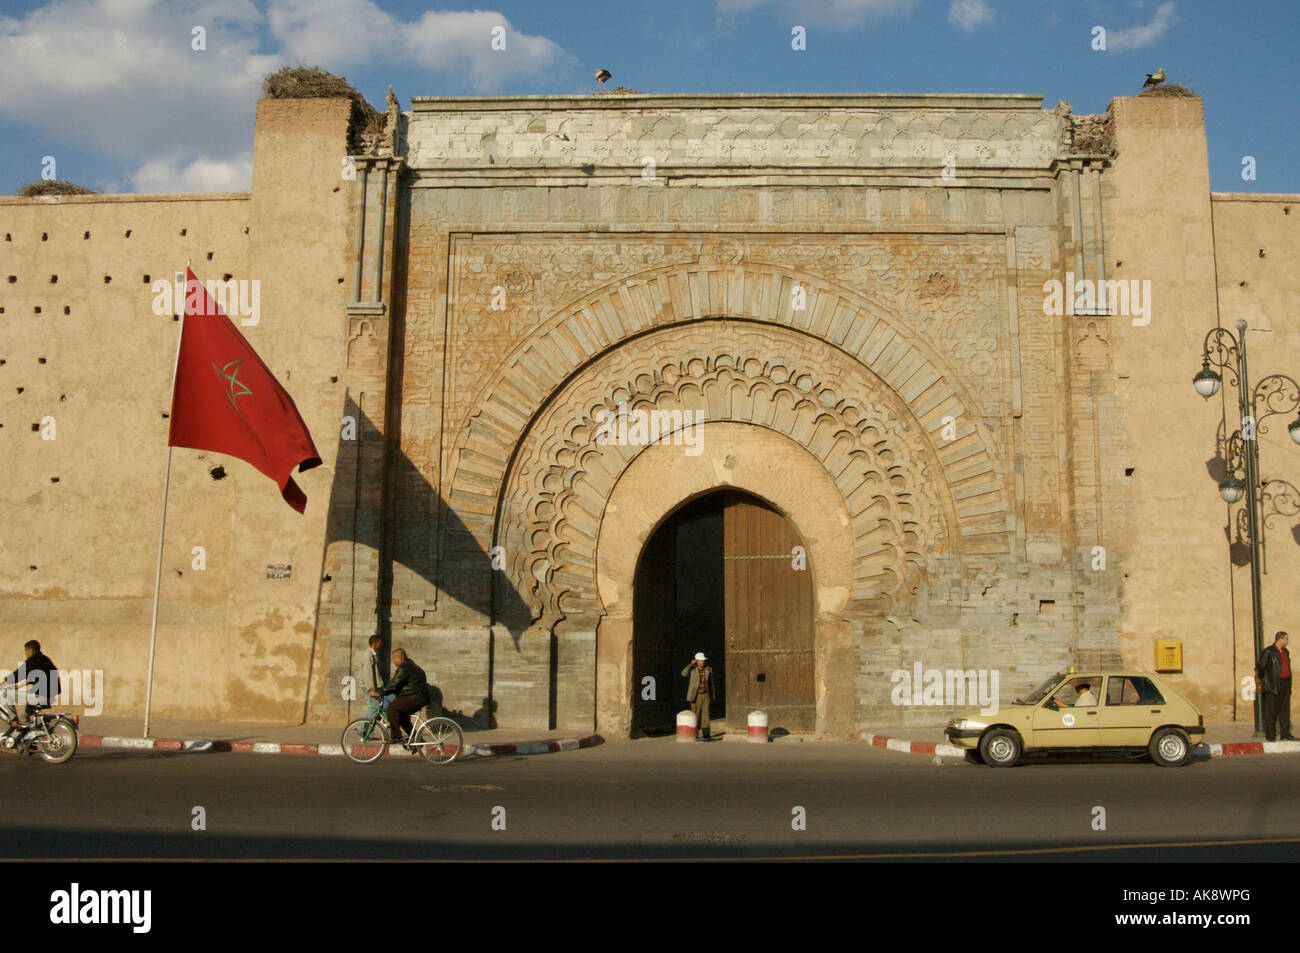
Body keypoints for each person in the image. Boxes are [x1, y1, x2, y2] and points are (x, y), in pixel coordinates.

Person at [1, 640, 60, 747]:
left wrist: (3, 682)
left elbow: (19, 673)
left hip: (40, 696)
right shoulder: (44, 660)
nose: (25, 654)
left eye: (26, 651)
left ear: (31, 650)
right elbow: (33, 676)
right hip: (48, 696)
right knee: (23, 714)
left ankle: (14, 722)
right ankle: (28, 740)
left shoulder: (33, 661)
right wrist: (18, 686)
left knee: (5, 693)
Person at [369, 648, 430, 744]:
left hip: (416, 697)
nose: (393, 661)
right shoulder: (410, 665)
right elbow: (397, 685)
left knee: (392, 709)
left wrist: (379, 692)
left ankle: (395, 737)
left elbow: (394, 684)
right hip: (418, 697)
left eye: (394, 658)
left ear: (400, 658)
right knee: (402, 717)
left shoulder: (405, 668)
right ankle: (416, 739)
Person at [1256, 631, 1296, 742]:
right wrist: (1267, 680)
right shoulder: (1268, 652)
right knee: (1271, 711)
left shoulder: (1285, 652)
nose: (1287, 641)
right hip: (1272, 685)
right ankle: (1271, 735)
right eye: (1286, 639)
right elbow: (1260, 667)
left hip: (1285, 683)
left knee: (1284, 710)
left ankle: (1285, 733)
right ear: (1280, 639)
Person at [681, 652, 715, 740]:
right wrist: (690, 665)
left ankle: (706, 733)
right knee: (696, 714)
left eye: (703, 660)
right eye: (700, 660)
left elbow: (711, 684)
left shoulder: (708, 670)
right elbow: (683, 674)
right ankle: (694, 733)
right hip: (696, 695)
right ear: (697, 661)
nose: (702, 662)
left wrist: (712, 695)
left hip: (706, 694)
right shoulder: (692, 670)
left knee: (706, 714)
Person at [364, 635, 395, 720]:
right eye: (380, 643)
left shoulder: (373, 655)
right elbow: (368, 672)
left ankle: (385, 723)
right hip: (370, 687)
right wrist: (371, 689)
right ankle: (361, 728)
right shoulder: (368, 655)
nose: (381, 645)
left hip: (375, 686)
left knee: (381, 704)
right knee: (374, 707)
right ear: (375, 643)